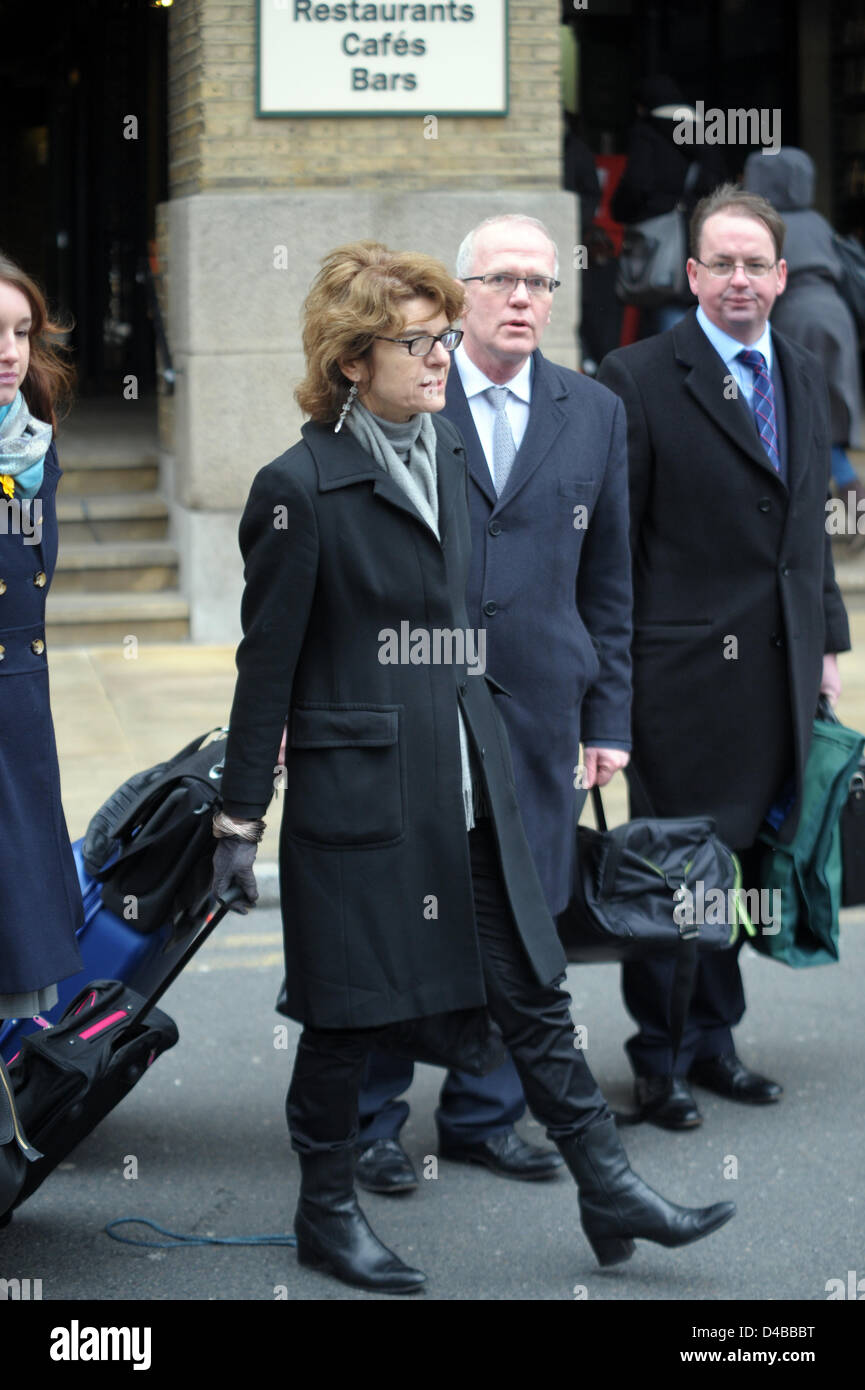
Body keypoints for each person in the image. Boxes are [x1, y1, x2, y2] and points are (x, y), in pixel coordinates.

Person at [211, 240, 735, 1293]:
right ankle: (325, 1215)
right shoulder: (297, 488)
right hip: (363, 795)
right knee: (347, 1012)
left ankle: (608, 1185)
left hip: (471, 782)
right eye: (419, 340)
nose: (443, 356)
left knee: (534, 991)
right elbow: (263, 665)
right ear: (354, 359)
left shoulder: (447, 455)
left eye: (446, 334)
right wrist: (236, 821)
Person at [355, 214, 633, 1197]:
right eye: (502, 279)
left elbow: (609, 578)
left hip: (542, 709)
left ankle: (484, 1113)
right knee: (404, 912)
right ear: (461, 291)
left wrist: (608, 720)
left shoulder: (594, 412)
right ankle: (368, 1123)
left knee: (527, 919)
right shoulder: (407, 399)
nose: (523, 298)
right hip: (419, 704)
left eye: (542, 283)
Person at [598, 187, 851, 1130]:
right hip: (679, 685)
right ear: (692, 274)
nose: (739, 278)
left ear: (780, 278)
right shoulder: (635, 376)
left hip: (778, 675)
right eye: (722, 263)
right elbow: (613, 549)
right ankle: (656, 1060)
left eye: (756, 264)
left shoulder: (797, 365)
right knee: (675, 876)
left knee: (741, 870)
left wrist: (827, 641)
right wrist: (607, 690)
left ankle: (715, 1044)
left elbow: (807, 531)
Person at [0, 254, 83, 1024]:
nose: (10, 351)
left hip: (20, 711)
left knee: (17, 944)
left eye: (22, 331)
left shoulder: (30, 447)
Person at [744, 147, 865, 543]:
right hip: (836, 318)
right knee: (823, 418)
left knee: (795, 420)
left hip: (795, 319)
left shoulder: (766, 224)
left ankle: (807, 523)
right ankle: (854, 509)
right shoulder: (817, 221)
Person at [612, 75, 725, 335]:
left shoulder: (646, 133)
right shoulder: (703, 133)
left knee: (663, 308)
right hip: (700, 241)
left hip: (661, 239)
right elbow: (719, 185)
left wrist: (624, 211)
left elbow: (637, 183)